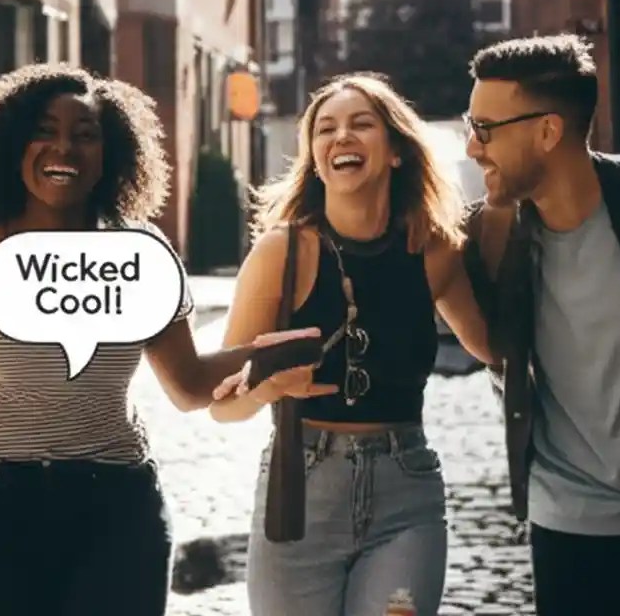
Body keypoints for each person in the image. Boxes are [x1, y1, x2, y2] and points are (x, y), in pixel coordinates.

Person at [0, 63, 305, 616]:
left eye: (85, 135)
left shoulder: (140, 251)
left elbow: (189, 386)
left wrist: (273, 353)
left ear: (109, 153)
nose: (63, 148)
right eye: (44, 131)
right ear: (12, 143)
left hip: (117, 508)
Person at [209, 72, 493, 616]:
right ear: (315, 159)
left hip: (406, 500)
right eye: (326, 129)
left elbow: (492, 348)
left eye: (362, 124)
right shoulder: (280, 254)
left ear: (396, 152)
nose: (341, 136)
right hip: (300, 498)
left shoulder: (434, 251)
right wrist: (270, 388)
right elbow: (221, 405)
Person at [462, 33, 620, 615]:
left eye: (485, 128)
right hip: (570, 524)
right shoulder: (487, 238)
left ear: (548, 131)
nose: (472, 147)